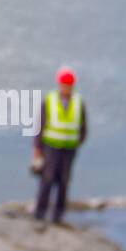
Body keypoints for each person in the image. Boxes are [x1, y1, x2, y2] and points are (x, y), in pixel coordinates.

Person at [33, 67, 86, 227]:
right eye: (64, 85)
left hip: (69, 149)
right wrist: (37, 148)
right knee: (47, 180)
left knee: (64, 182)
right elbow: (40, 126)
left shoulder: (78, 103)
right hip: (51, 147)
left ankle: (58, 215)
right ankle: (40, 213)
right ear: (60, 84)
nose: (66, 88)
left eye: (69, 85)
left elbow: (83, 128)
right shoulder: (50, 101)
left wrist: (77, 143)